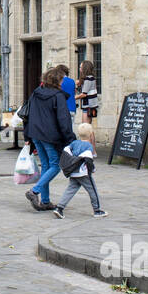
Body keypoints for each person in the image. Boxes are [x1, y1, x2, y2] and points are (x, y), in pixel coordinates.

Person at [23, 68, 76, 211]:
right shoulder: (58, 96)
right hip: (49, 135)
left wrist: (28, 135)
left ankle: (45, 201)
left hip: (36, 133)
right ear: (57, 80)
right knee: (55, 165)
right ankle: (34, 191)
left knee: (46, 166)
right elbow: (63, 119)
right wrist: (70, 139)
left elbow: (28, 114)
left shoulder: (36, 92)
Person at [53, 122, 106, 219]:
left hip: (73, 171)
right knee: (92, 190)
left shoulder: (74, 143)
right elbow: (89, 160)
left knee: (70, 190)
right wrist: (92, 169)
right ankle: (97, 210)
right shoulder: (89, 146)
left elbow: (66, 151)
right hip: (84, 173)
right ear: (91, 134)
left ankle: (59, 208)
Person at [76, 59, 99, 130]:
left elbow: (84, 94)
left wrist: (74, 97)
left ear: (85, 68)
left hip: (88, 106)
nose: (80, 69)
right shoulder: (91, 78)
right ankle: (91, 141)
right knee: (89, 129)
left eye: (81, 67)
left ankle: (88, 141)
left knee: (85, 128)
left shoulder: (87, 79)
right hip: (91, 105)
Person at [57, 64, 78, 133]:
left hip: (63, 109)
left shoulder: (59, 82)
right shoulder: (72, 81)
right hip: (72, 108)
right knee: (71, 131)